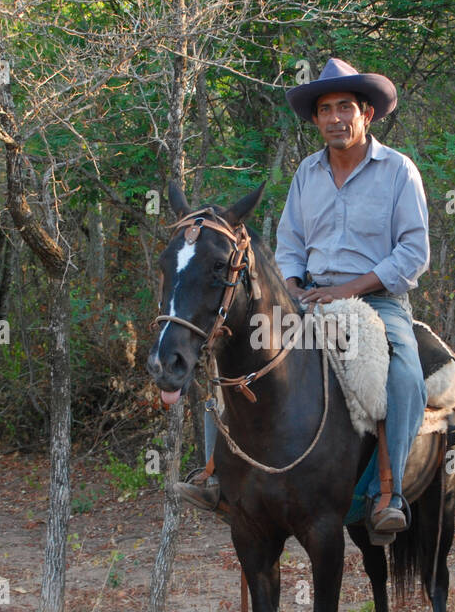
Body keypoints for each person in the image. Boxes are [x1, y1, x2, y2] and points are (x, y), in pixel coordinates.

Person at [177, 57, 430, 539]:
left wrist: (350, 289)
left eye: (345, 108)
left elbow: (414, 253)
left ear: (366, 114)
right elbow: (290, 243)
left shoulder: (399, 171)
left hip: (376, 301)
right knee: (233, 352)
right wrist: (291, 285)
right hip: (308, 300)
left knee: (404, 375)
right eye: (326, 110)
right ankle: (216, 476)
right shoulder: (306, 174)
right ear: (315, 120)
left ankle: (390, 492)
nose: (335, 118)